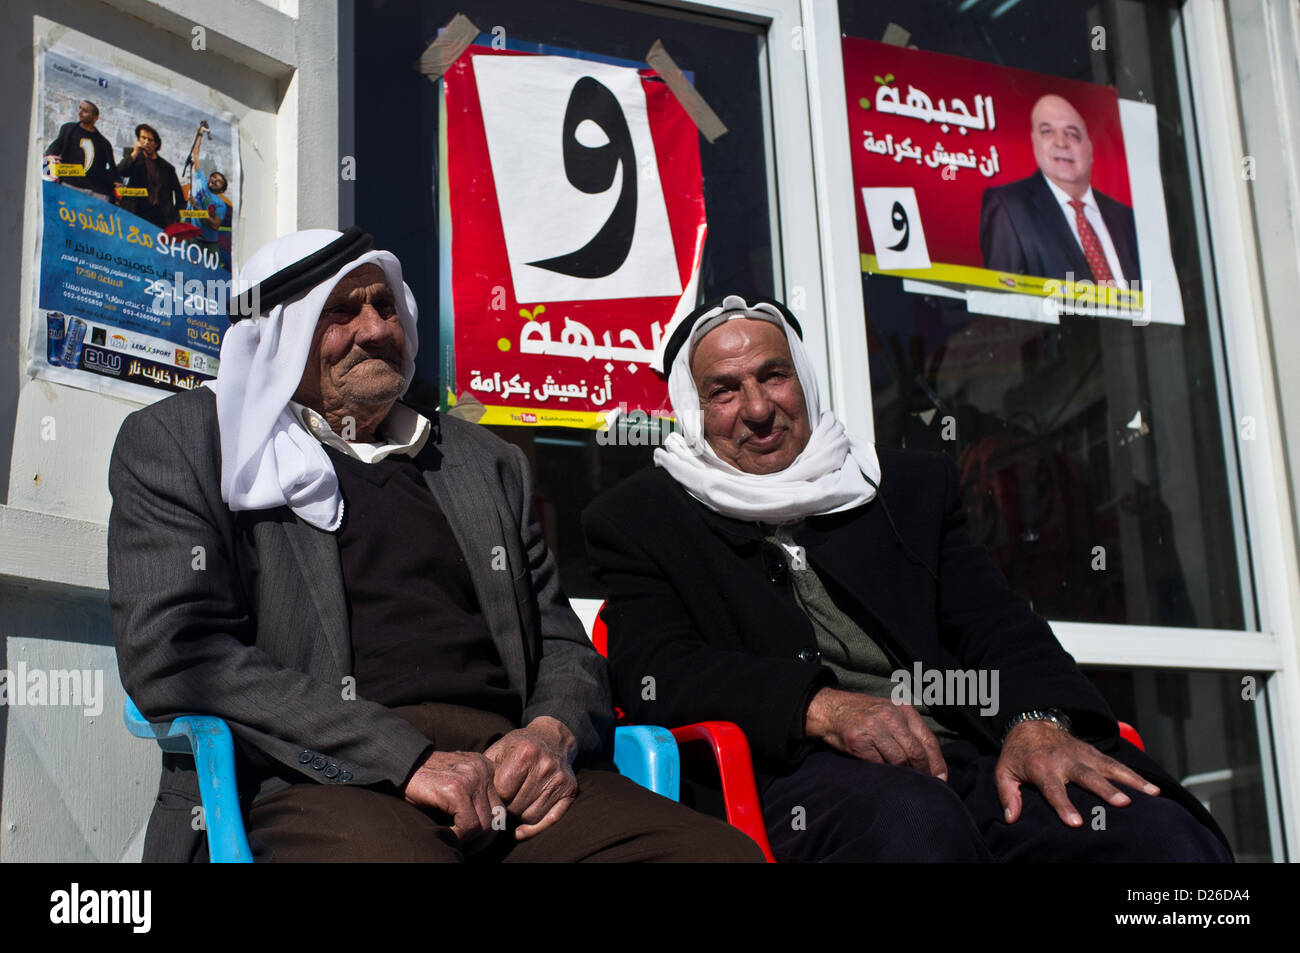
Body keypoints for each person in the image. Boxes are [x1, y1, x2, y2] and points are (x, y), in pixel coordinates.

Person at [109, 229, 762, 863]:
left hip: (506, 773)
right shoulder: (188, 443)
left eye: (386, 307)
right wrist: (403, 757)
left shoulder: (480, 460)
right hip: (317, 779)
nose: (375, 329)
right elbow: (177, 650)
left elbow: (563, 645)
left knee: (715, 853)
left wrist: (550, 733)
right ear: (279, 334)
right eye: (342, 312)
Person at [583, 293, 1231, 863]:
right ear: (691, 410)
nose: (757, 408)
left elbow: (997, 625)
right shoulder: (644, 519)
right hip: (797, 776)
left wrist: (1035, 721)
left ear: (803, 380)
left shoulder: (904, 489)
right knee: (916, 825)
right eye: (724, 390)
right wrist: (820, 707)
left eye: (773, 376)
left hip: (969, 756)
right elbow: (659, 671)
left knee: (1152, 835)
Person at [979, 94, 1140, 284]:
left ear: (1090, 149)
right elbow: (1006, 303)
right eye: (1047, 132)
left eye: (1072, 134)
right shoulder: (1010, 208)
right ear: (1034, 142)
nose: (1061, 143)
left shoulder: (1126, 217)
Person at [43, 100, 120, 201]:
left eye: (85, 111)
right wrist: (50, 157)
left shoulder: (104, 143)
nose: (80, 112)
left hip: (94, 191)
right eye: (80, 108)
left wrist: (116, 182)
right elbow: (55, 146)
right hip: (69, 184)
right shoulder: (68, 129)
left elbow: (112, 169)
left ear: (95, 117)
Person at [115, 123, 185, 228]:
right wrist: (134, 153)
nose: (146, 142)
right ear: (138, 140)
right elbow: (119, 172)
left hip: (159, 217)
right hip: (135, 211)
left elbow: (180, 198)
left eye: (150, 140)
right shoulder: (132, 157)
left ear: (156, 144)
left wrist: (174, 218)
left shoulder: (168, 168)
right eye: (143, 138)